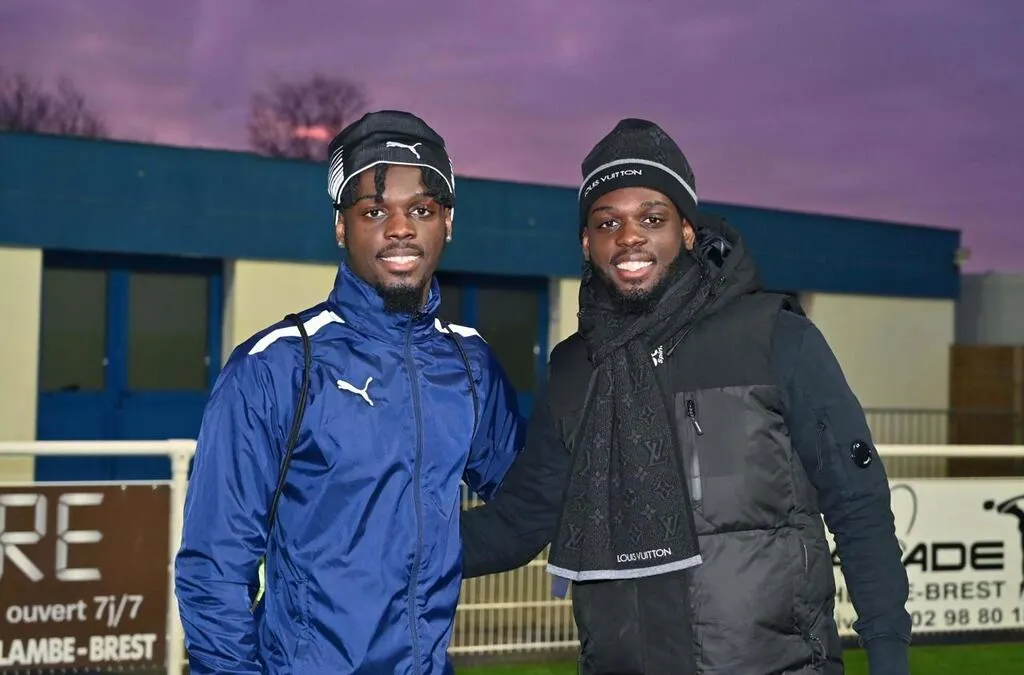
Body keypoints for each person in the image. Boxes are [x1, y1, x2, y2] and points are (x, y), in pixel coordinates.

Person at [460, 119, 911, 675]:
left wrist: (888, 652)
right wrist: (379, 541)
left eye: (652, 218)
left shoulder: (774, 337)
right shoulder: (574, 369)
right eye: (608, 222)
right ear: (587, 242)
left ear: (688, 231)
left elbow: (858, 503)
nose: (630, 237)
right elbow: (518, 523)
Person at [175, 110, 523, 674]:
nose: (401, 228)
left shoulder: (470, 363)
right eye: (373, 211)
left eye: (422, 210)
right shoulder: (277, 366)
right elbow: (214, 565)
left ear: (448, 222)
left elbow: (532, 496)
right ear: (342, 227)